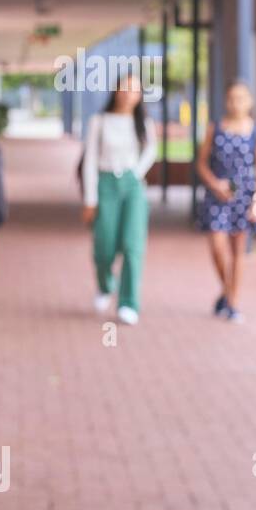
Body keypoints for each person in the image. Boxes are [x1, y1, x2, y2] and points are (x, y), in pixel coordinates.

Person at [80, 73, 156, 325]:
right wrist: (90, 199)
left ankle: (128, 302)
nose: (128, 94)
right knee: (104, 245)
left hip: (132, 186)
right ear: (116, 90)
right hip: (105, 183)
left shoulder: (144, 122)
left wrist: (136, 173)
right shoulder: (99, 121)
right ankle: (105, 285)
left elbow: (151, 150)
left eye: (134, 90)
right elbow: (89, 160)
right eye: (125, 88)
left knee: (133, 245)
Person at [195, 80, 256, 323]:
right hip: (217, 196)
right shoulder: (214, 128)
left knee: (238, 251)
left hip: (245, 196)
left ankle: (233, 303)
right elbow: (201, 164)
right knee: (217, 247)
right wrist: (215, 184)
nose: (235, 103)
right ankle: (227, 291)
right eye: (231, 98)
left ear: (250, 101)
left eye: (240, 98)